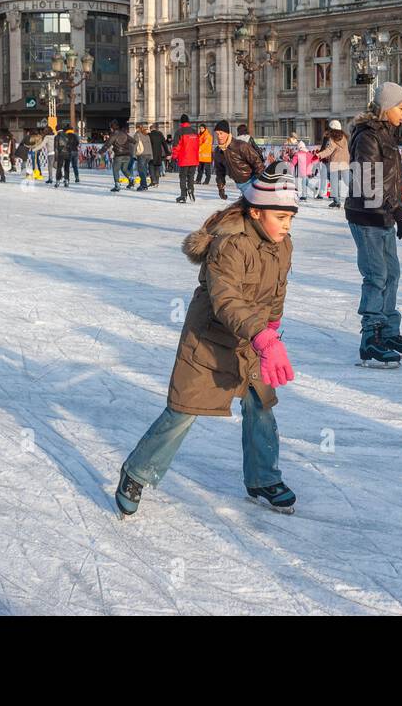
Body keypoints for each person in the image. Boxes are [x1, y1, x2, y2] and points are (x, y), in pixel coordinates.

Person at [114, 167, 299, 518]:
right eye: (280, 216)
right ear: (256, 212)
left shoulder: (282, 245)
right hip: (210, 337)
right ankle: (137, 472)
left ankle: (263, 477)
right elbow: (226, 299)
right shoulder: (229, 244)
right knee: (185, 408)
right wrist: (263, 336)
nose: (287, 225)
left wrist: (271, 329)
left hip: (254, 338)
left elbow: (278, 288)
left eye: (290, 217)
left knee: (260, 404)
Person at [346, 82, 402, 368]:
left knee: (392, 274)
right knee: (377, 275)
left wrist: (396, 212)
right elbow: (367, 183)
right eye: (401, 108)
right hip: (367, 217)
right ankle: (370, 338)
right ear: (387, 107)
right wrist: (398, 212)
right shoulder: (367, 137)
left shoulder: (387, 134)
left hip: (383, 215)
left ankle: (388, 331)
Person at [213, 120, 263, 200]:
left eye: (221, 133)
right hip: (240, 184)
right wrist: (221, 188)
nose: (219, 136)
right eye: (217, 134)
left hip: (252, 180)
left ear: (227, 133)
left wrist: (259, 182)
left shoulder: (241, 146)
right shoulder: (218, 152)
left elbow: (257, 162)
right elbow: (219, 172)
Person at [316, 119, 351, 209]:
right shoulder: (344, 137)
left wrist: (319, 155)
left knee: (334, 182)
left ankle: (336, 201)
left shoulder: (332, 138)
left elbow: (329, 150)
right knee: (348, 181)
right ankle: (357, 195)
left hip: (335, 162)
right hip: (344, 162)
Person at [172, 114, 200, 203]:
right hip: (194, 159)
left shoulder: (179, 132)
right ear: (188, 122)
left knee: (183, 177)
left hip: (184, 159)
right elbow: (198, 145)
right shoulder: (195, 132)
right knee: (191, 176)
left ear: (181, 122)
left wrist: (174, 157)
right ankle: (191, 190)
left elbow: (176, 146)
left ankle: (183, 195)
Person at [104, 121, 133, 192]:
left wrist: (100, 152)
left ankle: (117, 186)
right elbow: (134, 141)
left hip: (119, 155)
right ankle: (131, 180)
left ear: (112, 128)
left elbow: (107, 144)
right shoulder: (124, 133)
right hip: (127, 155)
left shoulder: (114, 134)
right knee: (124, 169)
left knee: (115, 169)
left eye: (110, 127)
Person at [132, 124, 153, 191]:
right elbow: (150, 145)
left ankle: (144, 185)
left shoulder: (137, 135)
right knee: (144, 170)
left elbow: (135, 145)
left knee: (141, 170)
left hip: (142, 154)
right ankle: (142, 184)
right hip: (148, 154)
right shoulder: (147, 135)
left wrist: (133, 154)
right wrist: (151, 155)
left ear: (137, 128)